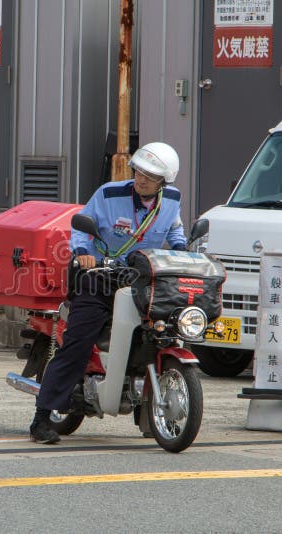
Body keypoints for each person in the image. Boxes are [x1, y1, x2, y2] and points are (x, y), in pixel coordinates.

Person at [28, 141, 188, 444]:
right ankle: (41, 417)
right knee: (77, 344)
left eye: (150, 176)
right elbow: (81, 227)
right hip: (100, 275)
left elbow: (175, 230)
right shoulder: (109, 193)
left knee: (163, 330)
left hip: (142, 279)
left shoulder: (172, 200)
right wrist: (82, 252)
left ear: (163, 182)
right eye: (138, 171)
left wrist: (181, 250)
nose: (141, 179)